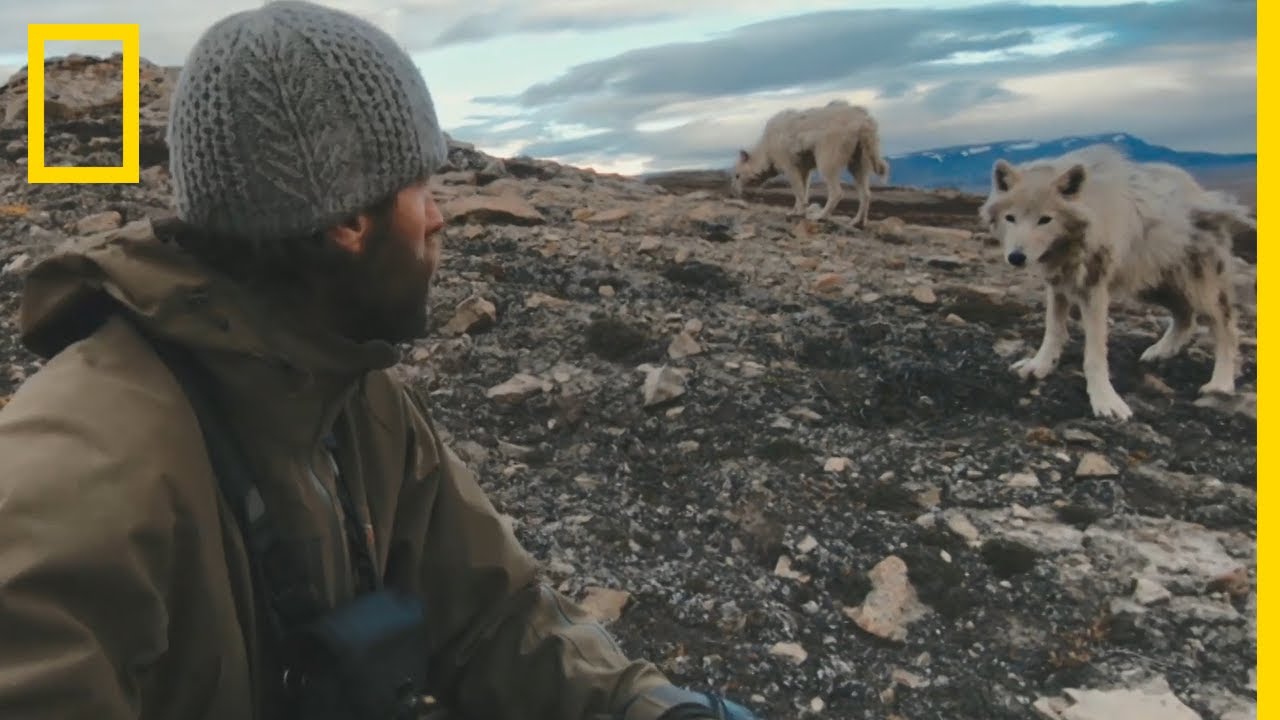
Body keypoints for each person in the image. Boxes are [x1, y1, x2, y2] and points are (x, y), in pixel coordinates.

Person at [0, 2, 760, 719]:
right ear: (349, 222)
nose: (438, 219)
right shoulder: (79, 477)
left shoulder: (356, 396)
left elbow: (492, 617)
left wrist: (647, 708)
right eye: (421, 188)